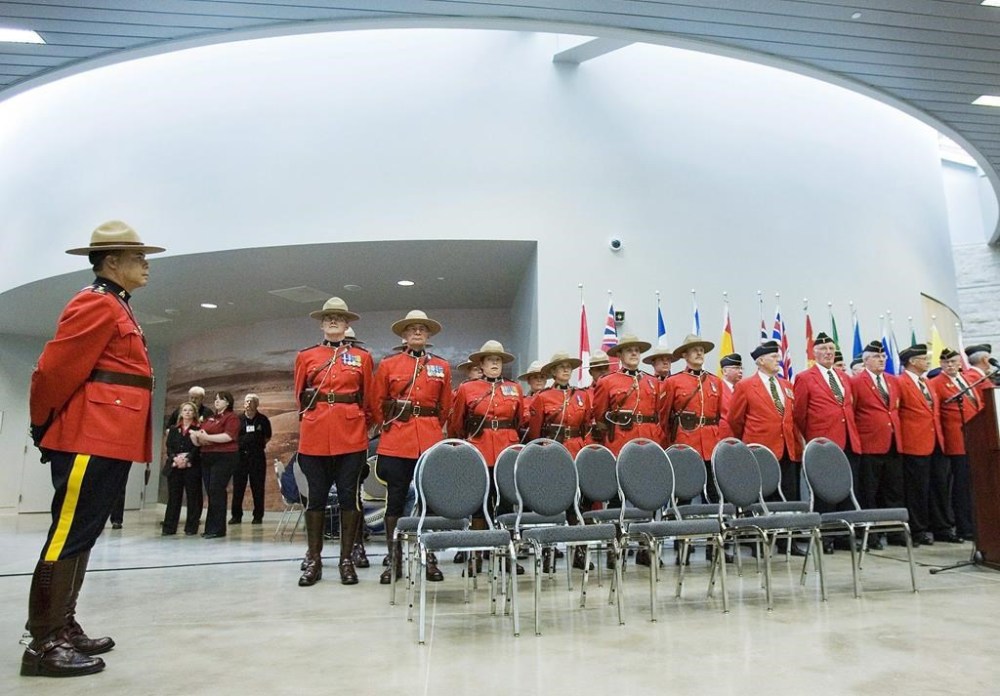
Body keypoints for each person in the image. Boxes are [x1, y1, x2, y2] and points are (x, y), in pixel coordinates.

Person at [24, 220, 163, 678]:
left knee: (84, 533)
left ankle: (63, 625)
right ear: (111, 262)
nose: (145, 264)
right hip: (88, 435)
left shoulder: (119, 307)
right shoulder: (95, 304)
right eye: (137, 257)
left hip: (108, 435)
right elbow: (53, 371)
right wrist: (43, 426)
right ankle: (42, 643)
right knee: (68, 535)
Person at [294, 297, 374, 587]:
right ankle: (314, 560)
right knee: (315, 498)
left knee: (348, 497)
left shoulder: (362, 358)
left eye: (339, 318)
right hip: (315, 435)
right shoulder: (306, 356)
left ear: (347, 324)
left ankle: (346, 560)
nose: (333, 321)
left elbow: (369, 398)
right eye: (328, 317)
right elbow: (300, 395)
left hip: (350, 434)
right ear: (321, 323)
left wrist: (358, 422)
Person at [371, 310, 452, 584]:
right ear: (404, 335)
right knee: (394, 501)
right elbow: (377, 402)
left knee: (430, 503)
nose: (417, 332)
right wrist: (393, 424)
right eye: (412, 329)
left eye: (422, 329)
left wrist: (428, 424)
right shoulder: (389, 365)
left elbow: (445, 407)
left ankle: (430, 559)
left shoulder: (442, 366)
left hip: (429, 439)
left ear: (428, 335)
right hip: (397, 439)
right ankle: (394, 561)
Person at [449, 340, 523, 571]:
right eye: (490, 359)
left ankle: (506, 555)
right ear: (481, 364)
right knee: (479, 505)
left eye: (498, 359)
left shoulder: (515, 388)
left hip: (506, 452)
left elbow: (519, 421)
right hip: (479, 450)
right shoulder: (467, 389)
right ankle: (476, 555)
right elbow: (457, 424)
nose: (494, 363)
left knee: (506, 503)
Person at [594, 335, 664, 567]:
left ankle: (646, 548)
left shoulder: (653, 382)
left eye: (637, 350)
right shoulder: (607, 381)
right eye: (629, 351)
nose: (634, 354)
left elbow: (660, 413)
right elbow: (600, 416)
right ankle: (616, 547)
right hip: (621, 442)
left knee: (649, 497)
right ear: (620, 356)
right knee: (619, 498)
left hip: (648, 443)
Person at [727, 341, 803, 554]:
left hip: (787, 448)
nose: (778, 360)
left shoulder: (786, 386)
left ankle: (787, 540)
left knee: (787, 496)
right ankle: (756, 539)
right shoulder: (745, 386)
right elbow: (735, 420)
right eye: (773, 357)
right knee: (759, 497)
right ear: (760, 361)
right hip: (760, 450)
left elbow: (791, 417)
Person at [527, 351, 593, 570]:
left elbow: (585, 427)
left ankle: (579, 552)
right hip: (553, 452)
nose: (566, 369)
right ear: (553, 372)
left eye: (568, 366)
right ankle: (548, 551)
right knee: (553, 504)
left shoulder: (582, 396)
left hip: (576, 450)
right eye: (561, 366)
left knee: (579, 504)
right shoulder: (542, 397)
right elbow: (536, 433)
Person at [849, 341, 904, 550]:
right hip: (869, 444)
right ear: (865, 360)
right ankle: (869, 535)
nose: (881, 360)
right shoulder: (856, 382)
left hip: (892, 442)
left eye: (883, 357)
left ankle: (894, 532)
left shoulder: (891, 381)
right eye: (876, 357)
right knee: (869, 492)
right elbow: (852, 413)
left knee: (893, 491)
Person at [896, 344, 946, 546]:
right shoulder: (901, 383)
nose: (927, 362)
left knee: (938, 486)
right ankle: (918, 529)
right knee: (917, 489)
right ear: (913, 362)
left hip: (935, 441)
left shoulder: (927, 382)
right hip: (914, 442)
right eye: (924, 359)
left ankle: (939, 526)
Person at [662, 334, 723, 498]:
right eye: (694, 350)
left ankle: (715, 522)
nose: (699, 353)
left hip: (711, 442)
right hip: (686, 440)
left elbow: (721, 414)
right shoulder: (673, 382)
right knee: (684, 491)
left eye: (702, 350)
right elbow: (664, 416)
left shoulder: (715, 381)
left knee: (714, 491)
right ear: (684, 355)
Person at [931, 348, 979, 542]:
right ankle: (963, 526)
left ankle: (976, 524)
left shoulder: (967, 380)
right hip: (955, 440)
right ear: (941, 364)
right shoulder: (936, 383)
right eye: (946, 363)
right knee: (960, 487)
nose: (950, 366)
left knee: (974, 486)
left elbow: (976, 405)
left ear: (960, 363)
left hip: (973, 439)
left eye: (953, 362)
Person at [191, 391, 239, 539]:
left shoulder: (232, 417)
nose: (217, 401)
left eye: (220, 399)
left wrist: (207, 438)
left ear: (228, 402)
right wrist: (198, 438)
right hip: (207, 456)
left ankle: (218, 528)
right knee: (211, 492)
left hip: (224, 457)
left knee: (216, 490)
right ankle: (210, 528)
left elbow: (228, 436)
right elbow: (199, 433)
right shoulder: (210, 417)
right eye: (216, 399)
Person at [162, 402, 204, 536]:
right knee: (174, 498)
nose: (187, 412)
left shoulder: (198, 429)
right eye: (185, 410)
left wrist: (187, 459)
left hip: (191, 467)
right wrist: (175, 458)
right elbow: (169, 447)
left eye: (190, 410)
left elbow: (198, 447)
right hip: (175, 466)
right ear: (181, 413)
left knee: (193, 497)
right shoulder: (174, 429)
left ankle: (191, 528)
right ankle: (169, 527)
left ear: (194, 413)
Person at [230, 394, 272, 525]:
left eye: (251, 401)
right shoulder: (238, 419)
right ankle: (236, 516)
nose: (248, 403)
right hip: (240, 457)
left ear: (256, 404)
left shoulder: (263, 419)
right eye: (246, 401)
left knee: (258, 487)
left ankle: (258, 516)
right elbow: (233, 436)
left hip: (257, 457)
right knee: (238, 487)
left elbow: (267, 436)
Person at [718, 352, 743, 439]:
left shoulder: (742, 389)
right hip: (724, 436)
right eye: (736, 368)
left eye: (741, 368)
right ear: (724, 371)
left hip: (740, 436)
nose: (740, 371)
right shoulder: (718, 389)